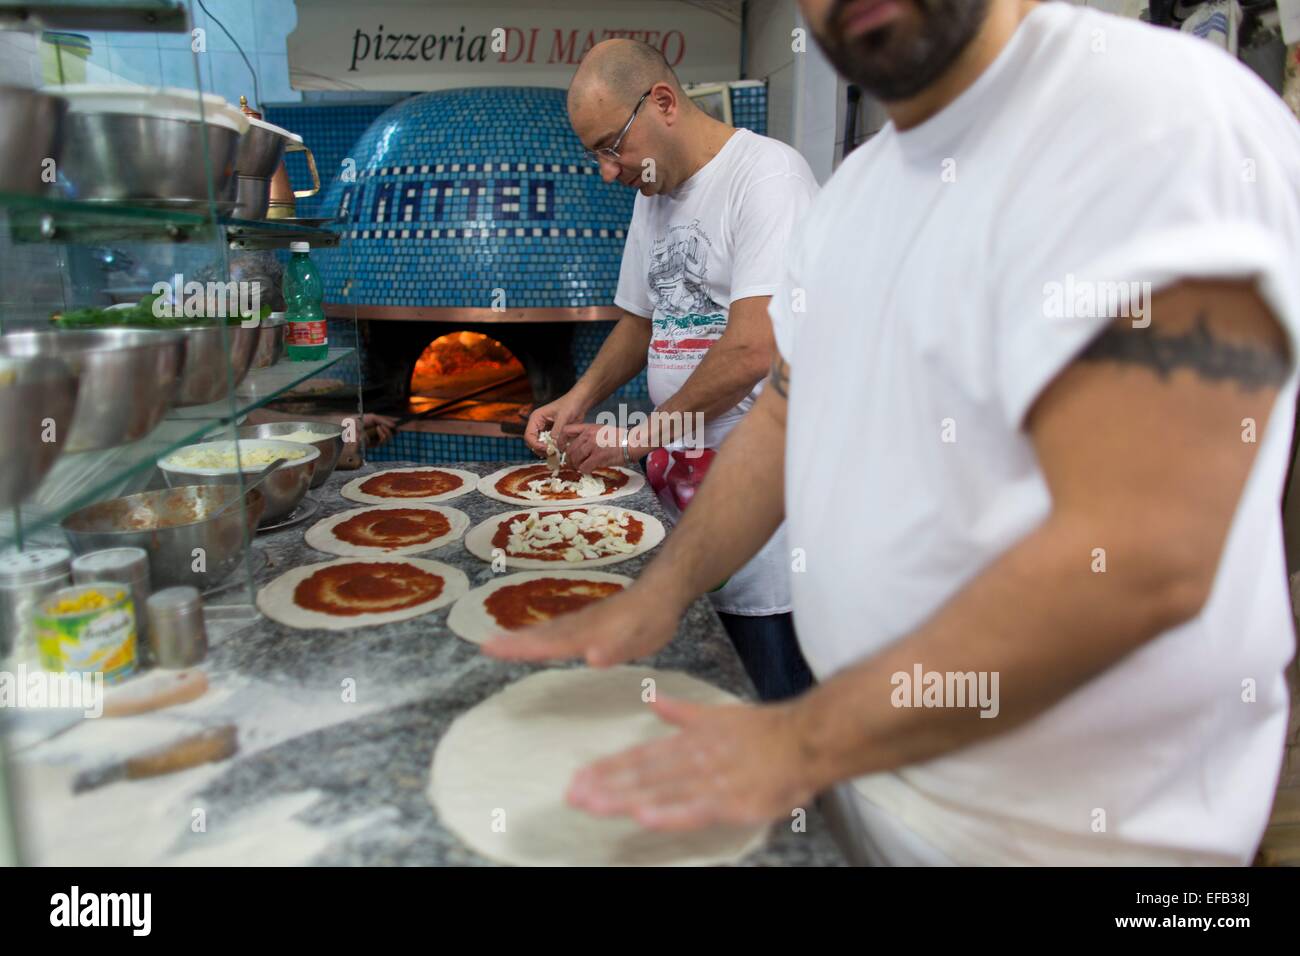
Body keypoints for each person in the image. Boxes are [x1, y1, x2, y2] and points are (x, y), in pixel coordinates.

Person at [488, 0, 1300, 865]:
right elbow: (782, 415)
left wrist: (798, 740)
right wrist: (662, 592)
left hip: (1082, 840)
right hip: (877, 795)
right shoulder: (857, 195)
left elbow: (1144, 560)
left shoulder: (1152, 118)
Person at [524, 38, 820, 700]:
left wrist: (635, 439)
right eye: (595, 155)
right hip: (682, 502)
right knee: (695, 696)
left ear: (662, 102)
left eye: (612, 146)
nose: (608, 172)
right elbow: (640, 322)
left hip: (765, 526)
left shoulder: (768, 178)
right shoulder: (653, 191)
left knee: (762, 703)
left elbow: (752, 348)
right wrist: (578, 398)